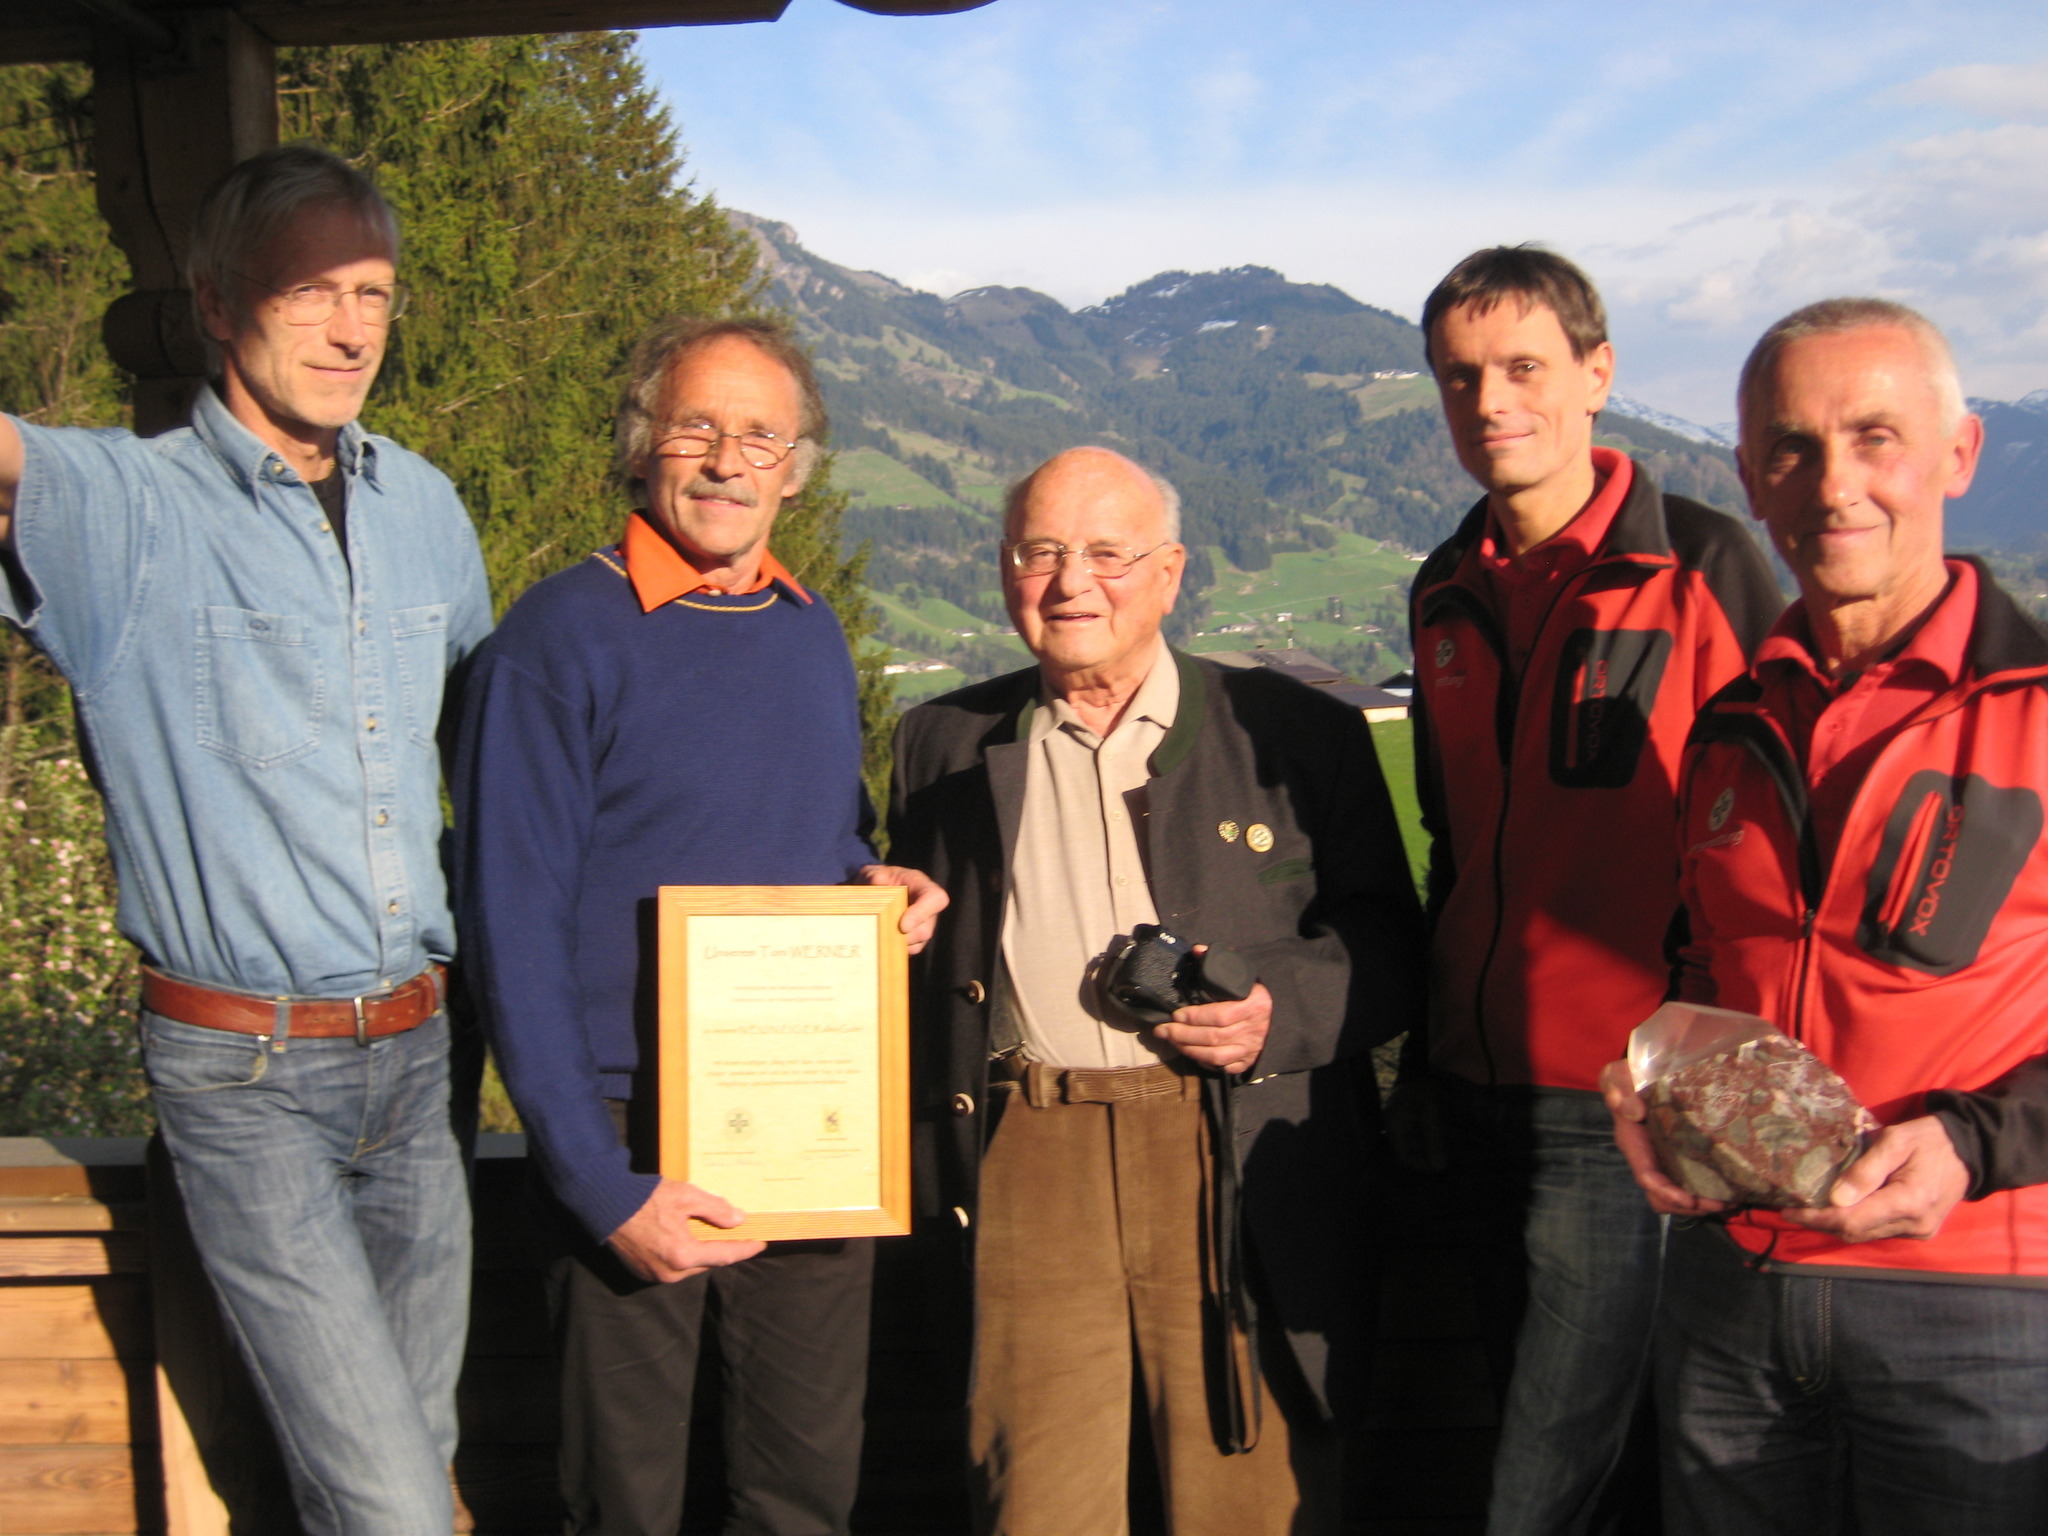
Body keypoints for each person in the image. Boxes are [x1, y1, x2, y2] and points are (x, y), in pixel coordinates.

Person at [0, 146, 490, 1535]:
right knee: (394, 1509)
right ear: (217, 306)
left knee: (415, 1455)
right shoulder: (128, 509)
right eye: (308, 290)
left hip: (421, 1060)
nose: (349, 328)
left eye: (372, 293)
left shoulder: (425, 508)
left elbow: (502, 761)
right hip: (247, 1075)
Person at [453, 315, 944, 1536]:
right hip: (631, 1135)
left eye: (760, 436)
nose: (728, 461)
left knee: (803, 1495)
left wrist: (875, 885)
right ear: (640, 448)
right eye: (696, 429)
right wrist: (597, 1183)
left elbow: (826, 830)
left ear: (796, 468)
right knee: (625, 1503)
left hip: (809, 1120)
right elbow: (509, 923)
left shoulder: (808, 630)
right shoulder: (555, 638)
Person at [887, 445, 1426, 1535]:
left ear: (1170, 574)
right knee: (1034, 1502)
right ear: (1004, 570)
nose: (1068, 584)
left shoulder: (1293, 734)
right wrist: (883, 924)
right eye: (1038, 552)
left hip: (1236, 1156)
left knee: (1250, 1502)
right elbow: (917, 958)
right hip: (1026, 1153)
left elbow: (1390, 944)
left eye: (1105, 554)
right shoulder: (940, 744)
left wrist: (1278, 1011)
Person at [1602, 298, 2048, 1535]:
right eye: (1790, 448)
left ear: (1957, 452)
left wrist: (1973, 1142)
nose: (1831, 484)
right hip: (1727, 1291)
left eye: (1873, 437)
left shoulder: (2035, 707)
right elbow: (1699, 976)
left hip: (1979, 1305)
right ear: (1747, 478)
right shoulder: (1731, 727)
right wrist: (1642, 1086)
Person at [1398, 246, 1781, 1535]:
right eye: (1459, 377)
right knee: (1560, 1426)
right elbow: (1450, 840)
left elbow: (1766, 840)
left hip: (1621, 1096)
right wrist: (1427, 1057)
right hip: (1474, 1086)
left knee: (1547, 1466)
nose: (1488, 402)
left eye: (1521, 368)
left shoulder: (1699, 567)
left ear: (1595, 374)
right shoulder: (1443, 588)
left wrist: (1696, 1049)